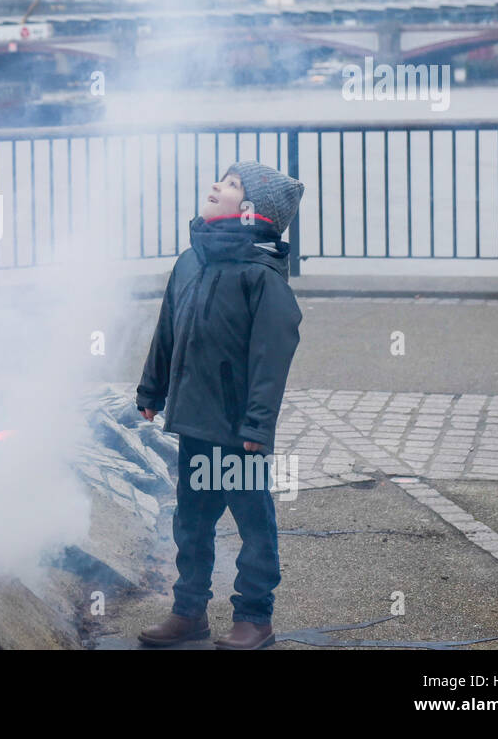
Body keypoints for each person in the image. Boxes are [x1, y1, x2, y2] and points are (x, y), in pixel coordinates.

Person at [136, 160, 305, 650]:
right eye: (221, 179)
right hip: (193, 421)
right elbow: (168, 330)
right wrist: (151, 390)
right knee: (189, 521)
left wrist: (257, 425)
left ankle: (255, 617)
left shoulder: (261, 276)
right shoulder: (191, 262)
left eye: (232, 185)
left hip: (236, 432)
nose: (217, 186)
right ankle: (188, 611)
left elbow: (271, 358)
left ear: (254, 210)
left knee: (253, 525)